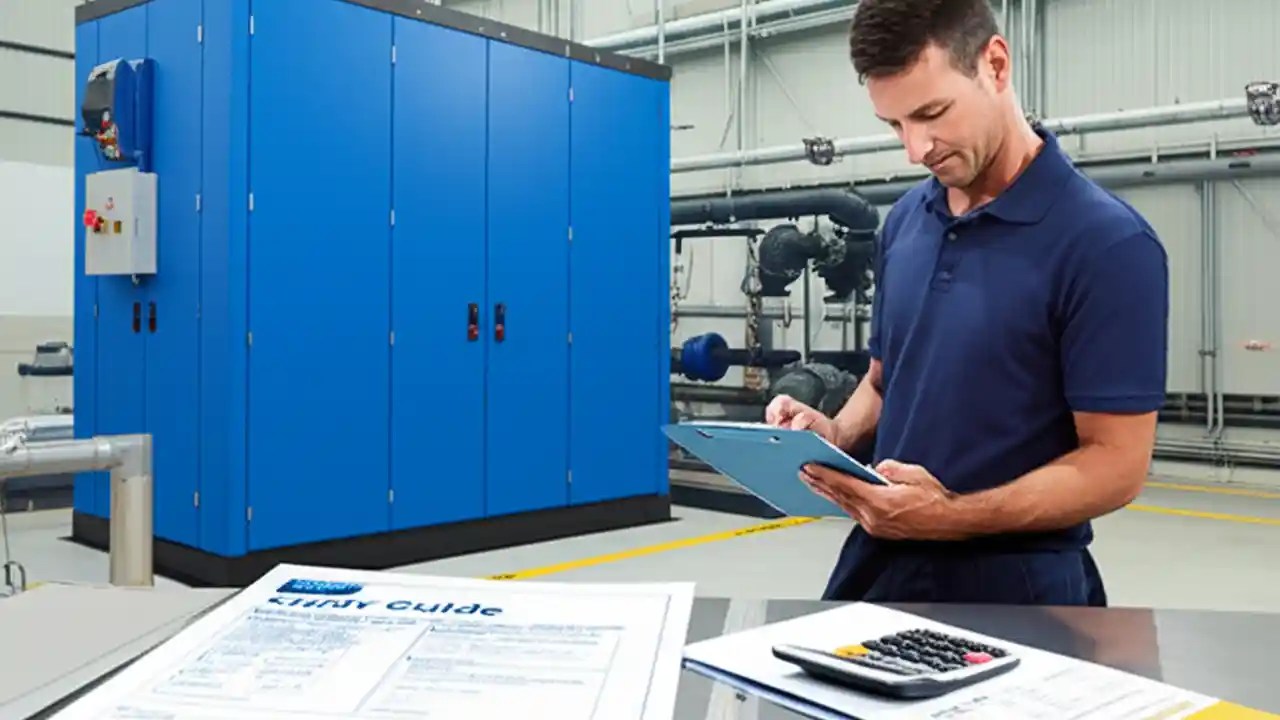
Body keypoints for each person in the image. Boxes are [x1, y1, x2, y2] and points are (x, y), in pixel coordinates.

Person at [765, 0, 1169, 605]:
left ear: (996, 65)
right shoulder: (904, 223)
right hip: (881, 560)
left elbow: (1116, 464)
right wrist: (835, 433)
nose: (914, 148)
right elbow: (884, 380)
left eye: (931, 113)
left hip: (1020, 582)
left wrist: (949, 514)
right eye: (894, 124)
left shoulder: (1107, 244)